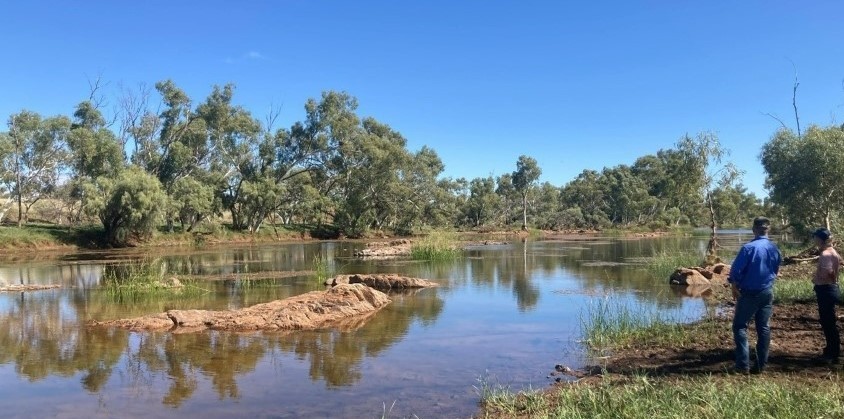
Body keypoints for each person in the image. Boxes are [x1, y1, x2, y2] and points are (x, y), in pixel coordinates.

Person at [727, 217, 782, 374]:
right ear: (768, 230)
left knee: (739, 326)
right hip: (767, 292)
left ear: (754, 230)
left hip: (750, 293)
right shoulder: (774, 248)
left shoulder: (748, 248)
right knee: (763, 328)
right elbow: (776, 269)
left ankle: (742, 365)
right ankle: (761, 365)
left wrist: (734, 285)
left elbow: (735, 271)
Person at [812, 228, 841, 364]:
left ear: (820, 239)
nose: (814, 240)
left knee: (828, 323)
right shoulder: (832, 251)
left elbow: (828, 272)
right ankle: (831, 350)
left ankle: (832, 353)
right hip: (829, 288)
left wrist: (818, 278)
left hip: (826, 289)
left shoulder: (825, 254)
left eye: (815, 237)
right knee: (829, 322)